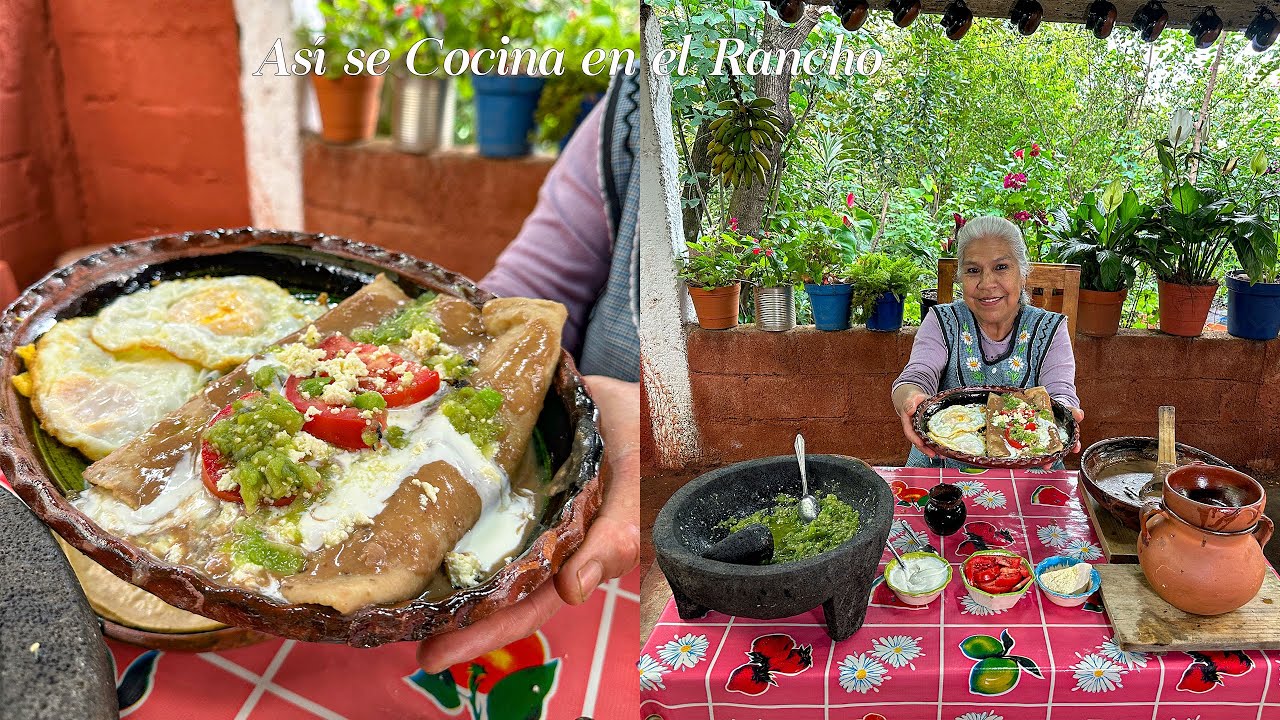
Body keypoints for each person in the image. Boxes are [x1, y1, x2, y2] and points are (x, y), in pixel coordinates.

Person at [416, 71, 641, 673]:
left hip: (613, 534)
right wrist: (440, 361)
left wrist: (674, 439)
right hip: (575, 507)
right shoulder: (636, 103)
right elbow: (534, 298)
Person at [891, 216, 1084, 468]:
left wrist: (1065, 414)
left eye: (1001, 267)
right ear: (961, 277)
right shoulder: (942, 320)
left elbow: (1060, 392)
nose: (987, 283)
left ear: (1022, 272)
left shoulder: (1050, 328)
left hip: (1030, 461)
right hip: (942, 465)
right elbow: (916, 376)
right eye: (973, 271)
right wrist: (910, 400)